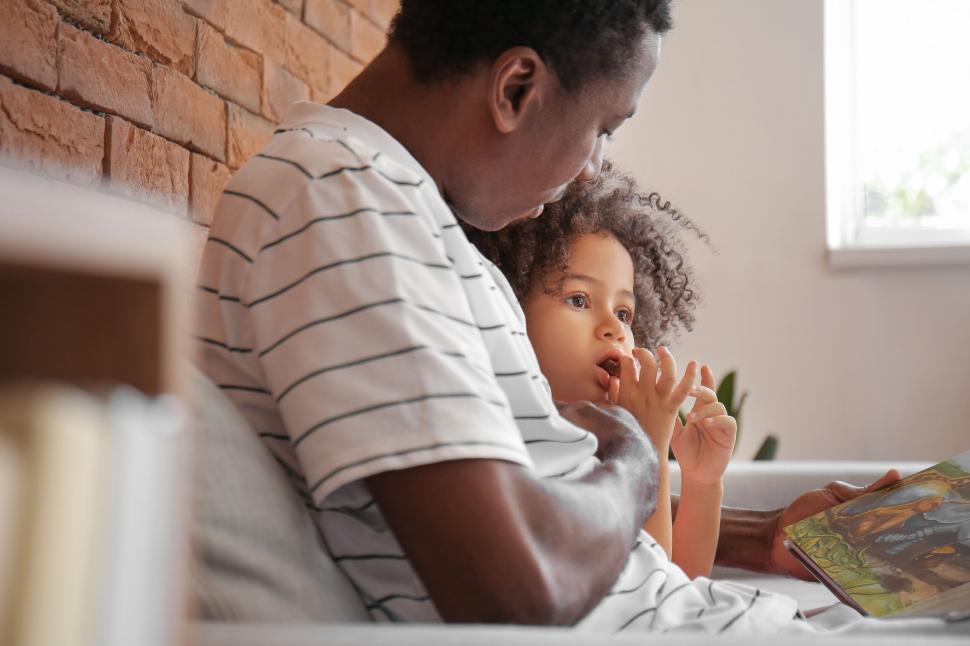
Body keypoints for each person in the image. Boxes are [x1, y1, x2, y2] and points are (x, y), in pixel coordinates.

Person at [195, 0, 957, 635]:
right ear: (517, 88)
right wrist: (630, 449)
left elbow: (517, 493)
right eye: (603, 130)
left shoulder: (392, 212)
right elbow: (514, 585)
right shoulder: (339, 201)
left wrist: (761, 538)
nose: (590, 168)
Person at [463, 162, 737, 579]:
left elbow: (682, 582)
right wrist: (648, 444)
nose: (614, 327)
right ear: (511, 307)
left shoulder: (601, 439)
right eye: (578, 300)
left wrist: (701, 483)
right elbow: (651, 583)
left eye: (624, 312)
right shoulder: (526, 445)